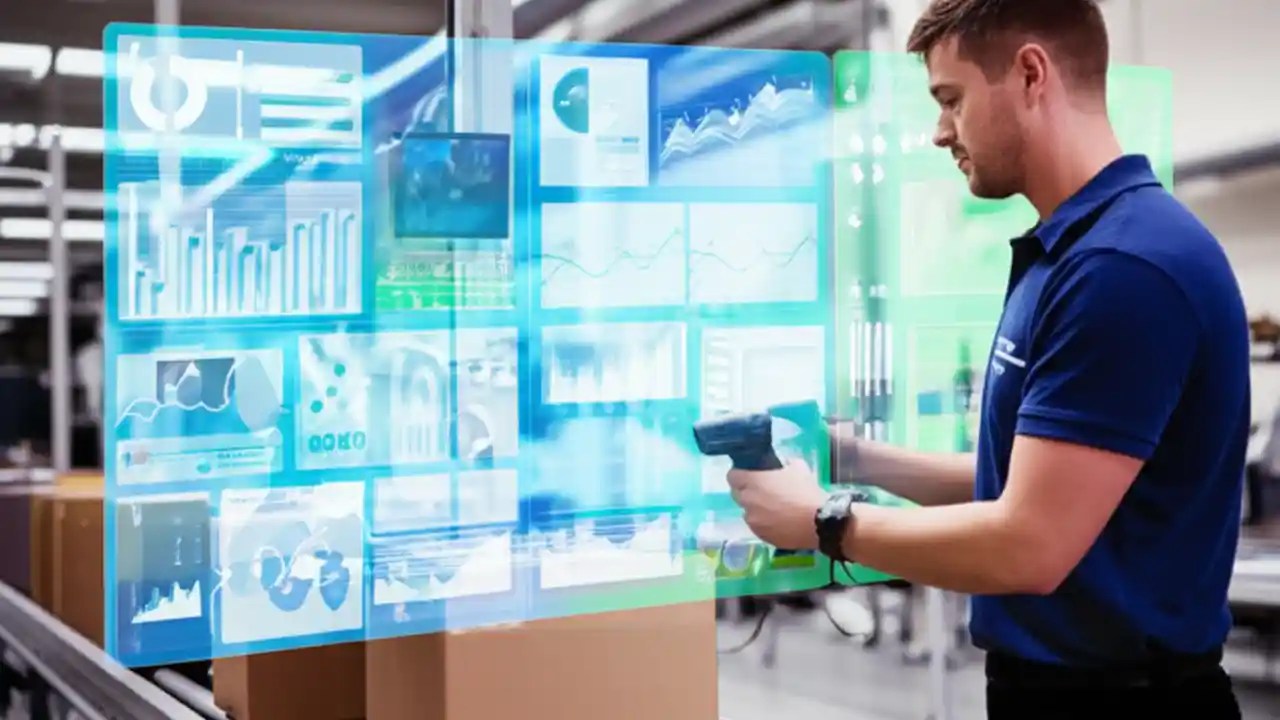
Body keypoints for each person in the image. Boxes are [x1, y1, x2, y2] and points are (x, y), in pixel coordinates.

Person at [725, 0, 1250, 717]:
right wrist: (856, 460)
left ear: (1031, 74)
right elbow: (1025, 486)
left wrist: (824, 521)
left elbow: (1028, 544)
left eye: (951, 99)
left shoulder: (1122, 266)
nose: (940, 131)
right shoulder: (1066, 256)